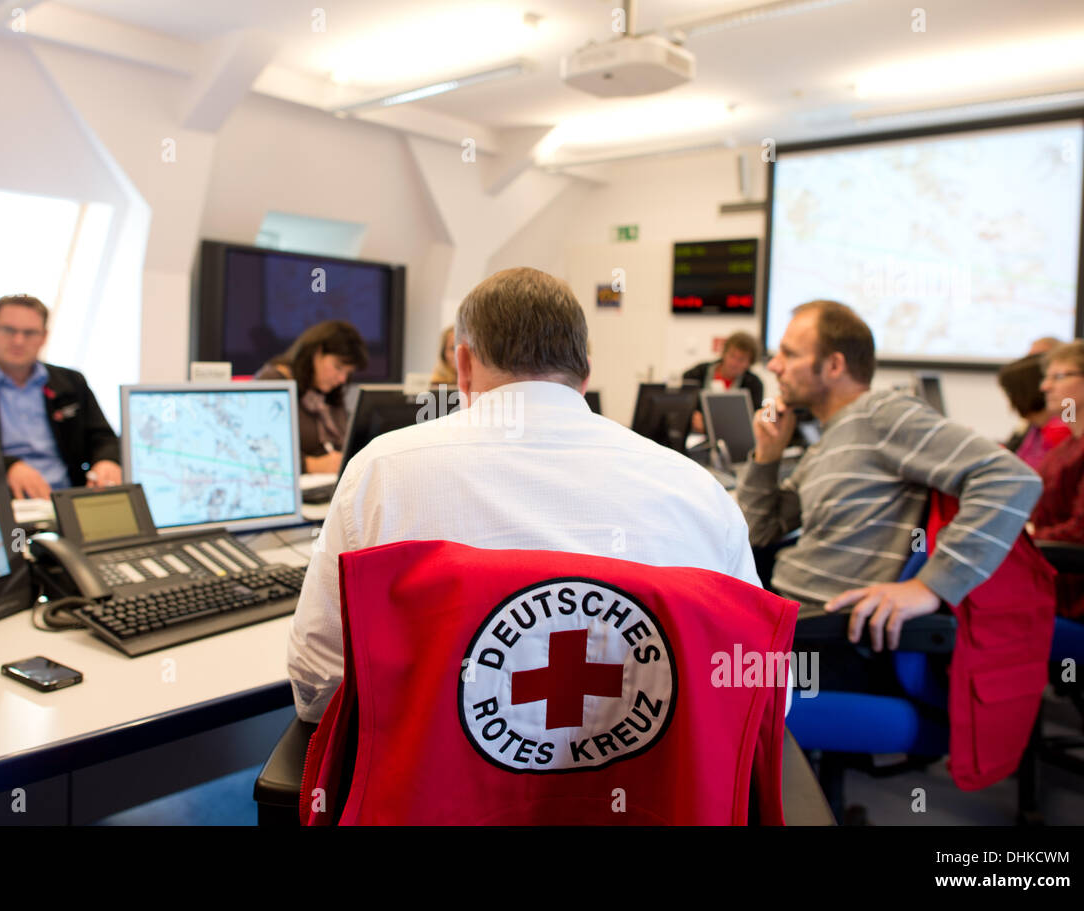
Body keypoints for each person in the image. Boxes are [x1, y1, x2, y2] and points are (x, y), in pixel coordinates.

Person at [287, 267, 760, 722]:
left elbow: (317, 685)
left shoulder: (380, 473)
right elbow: (752, 692)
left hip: (433, 779)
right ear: (586, 373)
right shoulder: (701, 491)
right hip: (649, 779)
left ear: (462, 366)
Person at [738, 300, 1041, 667]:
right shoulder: (831, 438)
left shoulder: (882, 414)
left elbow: (1012, 477)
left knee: (692, 669)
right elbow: (758, 532)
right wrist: (767, 455)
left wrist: (931, 586)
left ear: (834, 366)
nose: (774, 365)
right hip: (787, 622)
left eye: (788, 354)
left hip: (826, 639)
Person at [0, 294, 121, 499]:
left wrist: (107, 461)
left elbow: (103, 437)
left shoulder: (71, 382)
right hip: (0, 499)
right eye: (9, 330)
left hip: (66, 497)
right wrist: (7, 466)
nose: (18, 341)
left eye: (29, 333)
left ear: (44, 337)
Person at [1028, 340, 1084, 619]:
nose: (1045, 386)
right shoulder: (1071, 443)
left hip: (1076, 592)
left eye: (1059, 376)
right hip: (1050, 572)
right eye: (1046, 378)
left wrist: (1020, 541)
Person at [255, 320, 368, 475]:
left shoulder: (329, 391)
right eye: (338, 367)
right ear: (317, 353)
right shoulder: (274, 381)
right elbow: (258, 449)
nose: (342, 379)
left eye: (348, 373)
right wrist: (310, 465)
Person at [997, 353, 1070, 470]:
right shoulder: (1036, 428)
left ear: (1024, 393)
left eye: (1010, 394)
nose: (1010, 404)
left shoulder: (1058, 431)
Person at [682, 331, 764, 434]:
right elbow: (682, 401)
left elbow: (752, 421)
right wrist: (692, 414)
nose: (734, 363)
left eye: (741, 359)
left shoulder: (753, 385)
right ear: (724, 354)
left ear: (749, 363)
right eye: (732, 356)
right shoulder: (697, 373)